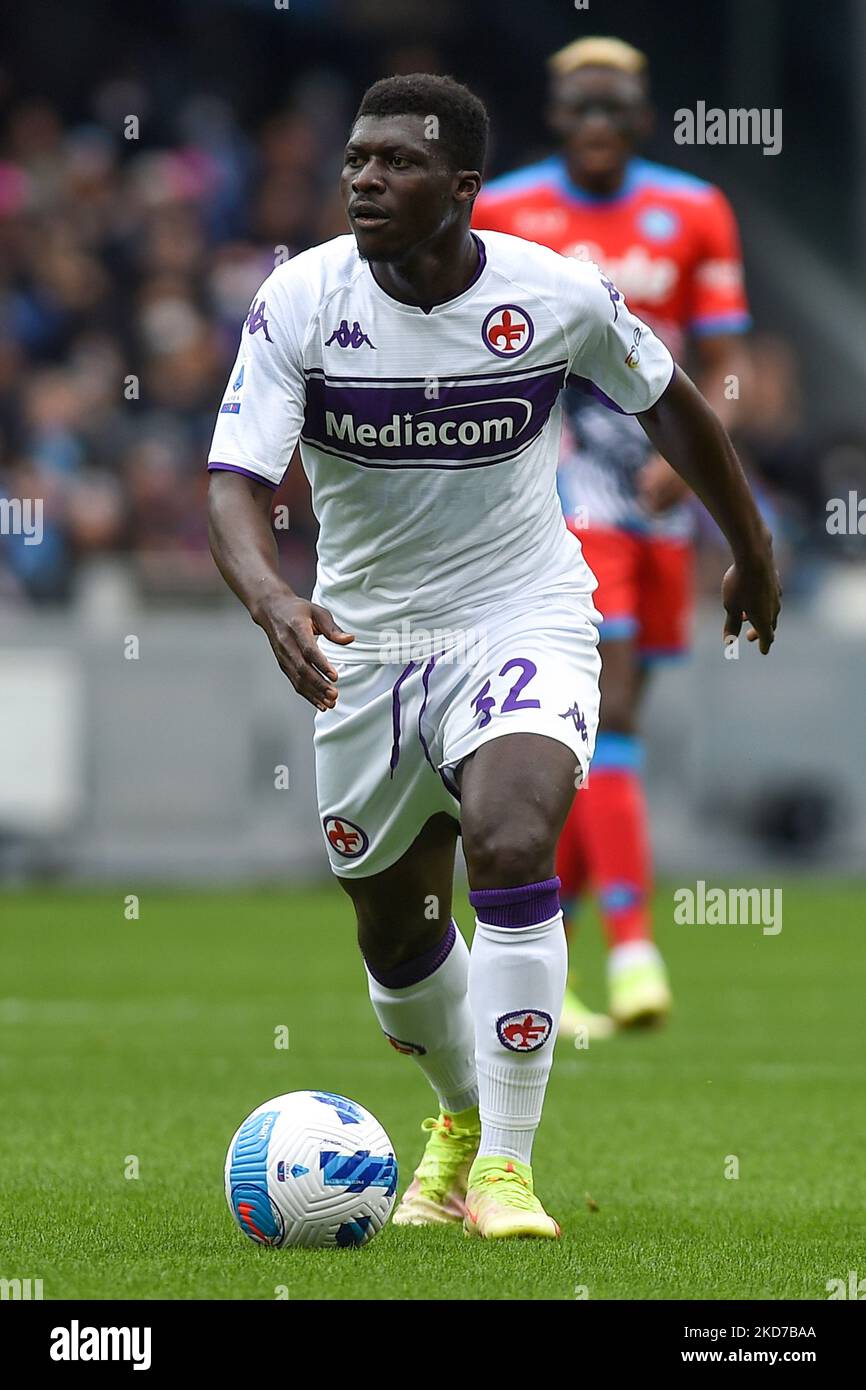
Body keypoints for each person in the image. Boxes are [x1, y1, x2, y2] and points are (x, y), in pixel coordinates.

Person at [207, 74, 779, 1239]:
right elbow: (235, 478)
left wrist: (752, 545)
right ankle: (460, 1117)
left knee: (511, 836)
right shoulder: (298, 301)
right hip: (362, 639)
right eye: (356, 159)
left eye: (395, 163)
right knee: (397, 932)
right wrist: (270, 593)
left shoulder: (554, 293)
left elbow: (671, 403)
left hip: (519, 613)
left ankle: (508, 1171)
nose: (363, 177)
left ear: (462, 189)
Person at [473, 37, 752, 1034]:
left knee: (604, 731)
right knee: (611, 695)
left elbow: (723, 362)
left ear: (639, 116)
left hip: (658, 494)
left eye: (613, 108)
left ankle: (544, 964)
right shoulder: (504, 209)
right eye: (578, 107)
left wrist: (692, 451)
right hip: (559, 487)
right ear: (554, 114)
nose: (595, 124)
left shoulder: (692, 209)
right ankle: (634, 950)